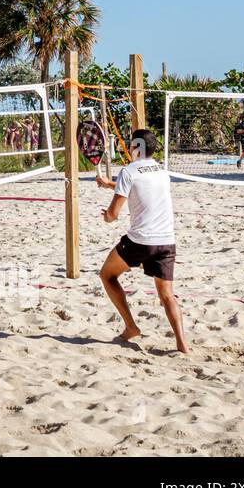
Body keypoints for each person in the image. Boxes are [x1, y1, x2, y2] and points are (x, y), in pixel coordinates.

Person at [95, 129, 189, 354]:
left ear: (136, 147)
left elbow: (114, 214)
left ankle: (131, 326)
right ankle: (182, 345)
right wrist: (110, 184)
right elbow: (142, 187)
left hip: (140, 242)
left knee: (107, 276)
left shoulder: (128, 171)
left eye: (131, 144)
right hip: (167, 242)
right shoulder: (162, 171)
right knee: (167, 295)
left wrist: (107, 217)